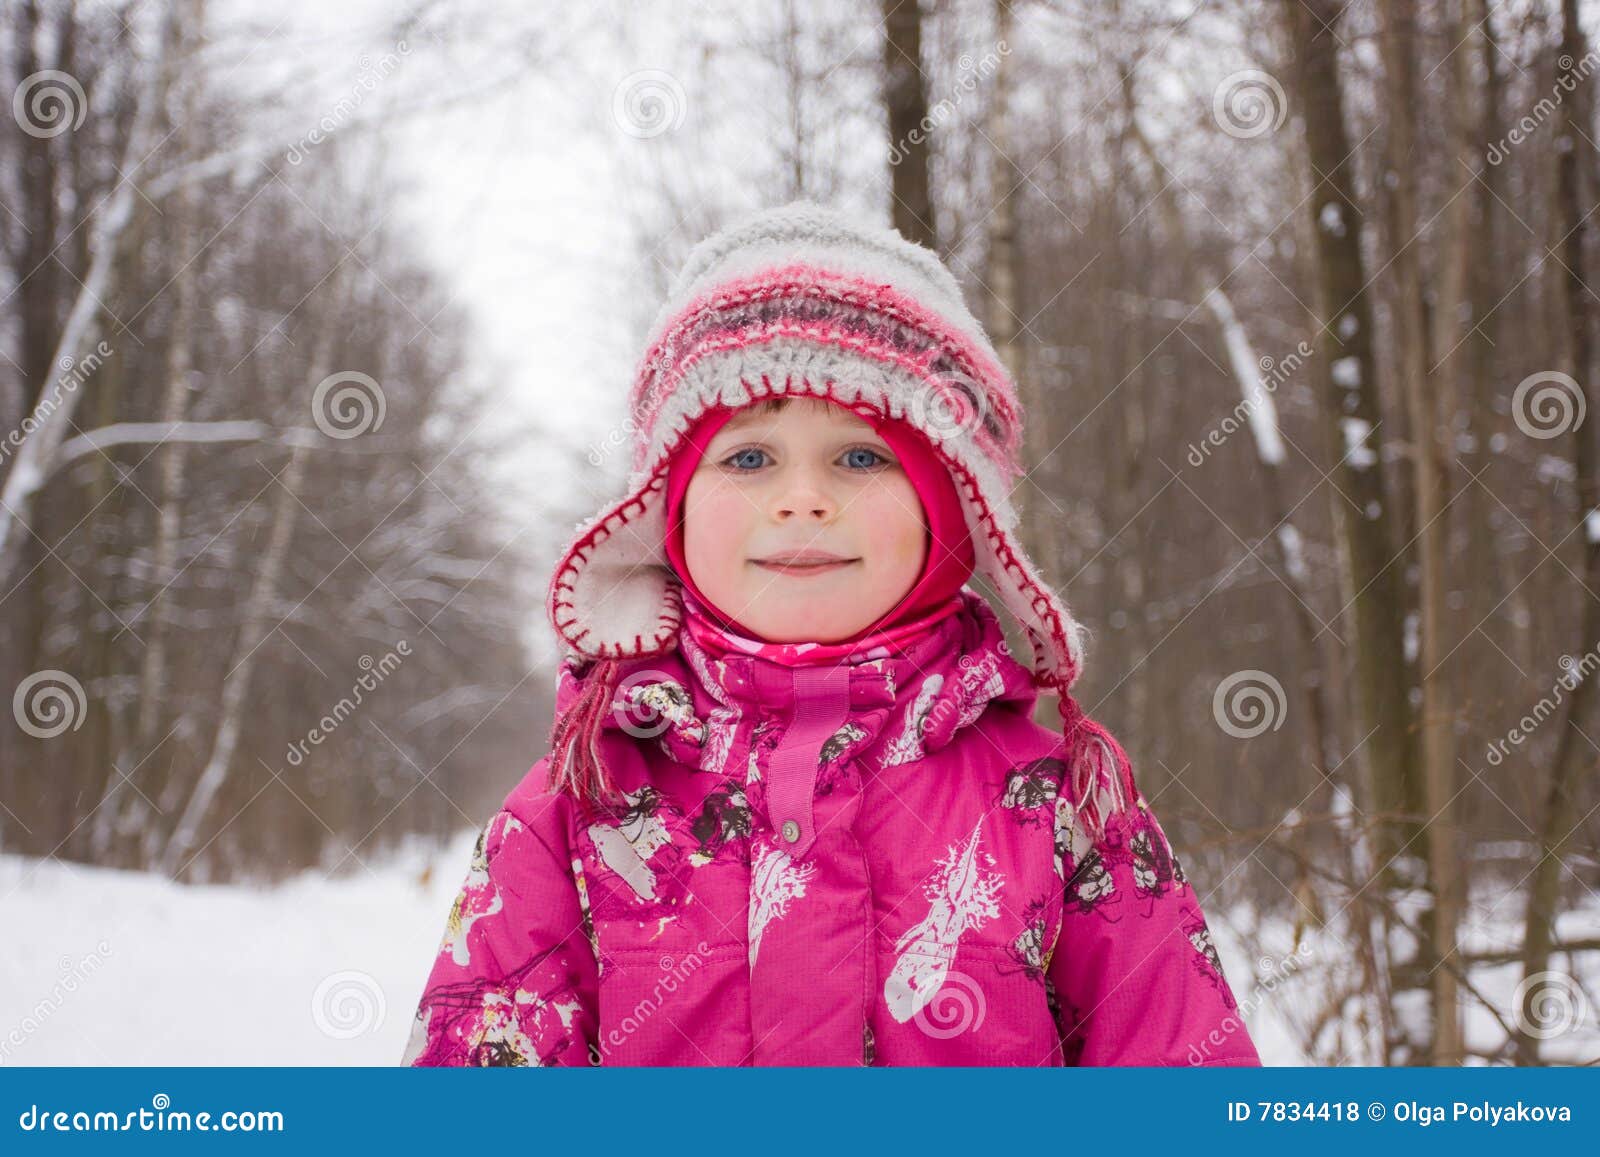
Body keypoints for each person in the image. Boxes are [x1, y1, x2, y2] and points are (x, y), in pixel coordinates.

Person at [402, 201, 1261, 1067]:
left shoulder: (1063, 806)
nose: (802, 498)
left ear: (952, 507)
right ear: (671, 506)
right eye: (748, 457)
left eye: (860, 456)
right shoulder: (577, 812)